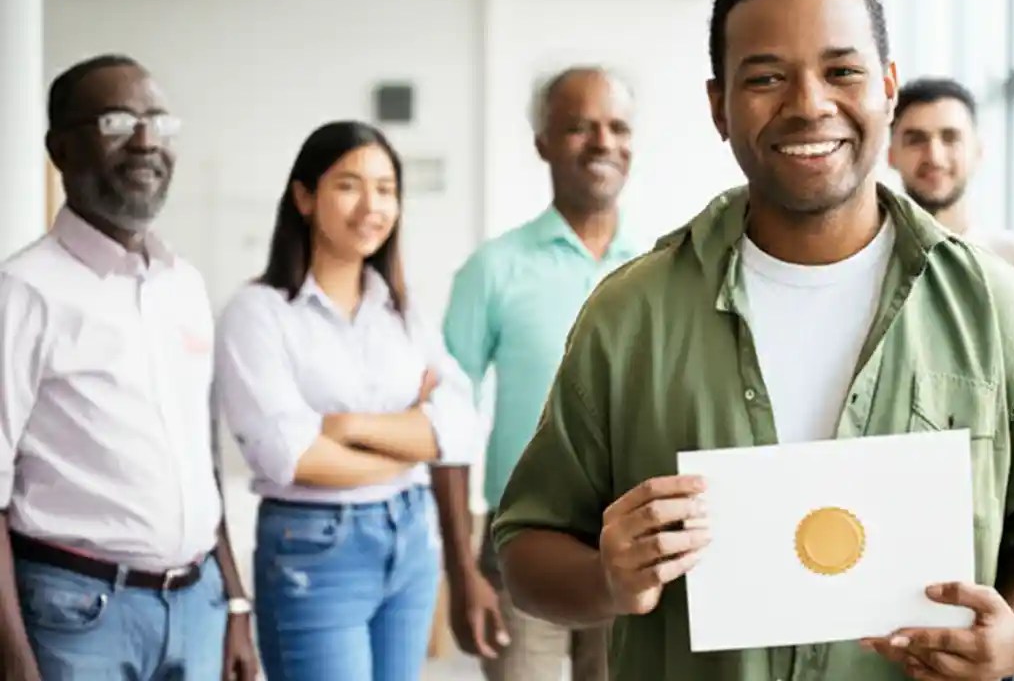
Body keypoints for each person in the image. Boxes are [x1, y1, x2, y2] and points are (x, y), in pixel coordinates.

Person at [487, 0, 1014, 680]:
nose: (809, 104)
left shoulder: (1002, 310)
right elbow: (527, 546)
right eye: (765, 78)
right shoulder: (630, 315)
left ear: (887, 87)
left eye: (842, 72)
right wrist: (608, 578)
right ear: (719, 107)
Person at [0, 54, 258, 681]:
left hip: (197, 607)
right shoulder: (23, 293)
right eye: (117, 122)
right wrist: (13, 660)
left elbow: (201, 462)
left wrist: (234, 601)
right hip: (78, 617)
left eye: (159, 122)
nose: (146, 141)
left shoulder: (184, 285)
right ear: (61, 149)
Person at [214, 121, 482, 680]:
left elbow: (460, 426)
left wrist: (346, 425)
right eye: (348, 185)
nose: (371, 206)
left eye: (386, 189)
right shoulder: (258, 313)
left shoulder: (402, 312)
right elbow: (291, 456)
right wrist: (410, 441)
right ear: (304, 196)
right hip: (314, 548)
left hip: (411, 537)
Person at [442, 65, 640, 681]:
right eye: (579, 127)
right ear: (543, 143)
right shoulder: (493, 269)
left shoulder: (661, 269)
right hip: (520, 546)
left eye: (617, 127)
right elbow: (445, 425)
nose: (602, 142)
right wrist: (461, 572)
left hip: (630, 547)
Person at [888, 76, 1014, 297]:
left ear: (977, 151)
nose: (935, 157)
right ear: (891, 155)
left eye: (950, 138)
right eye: (916, 140)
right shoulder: (874, 262)